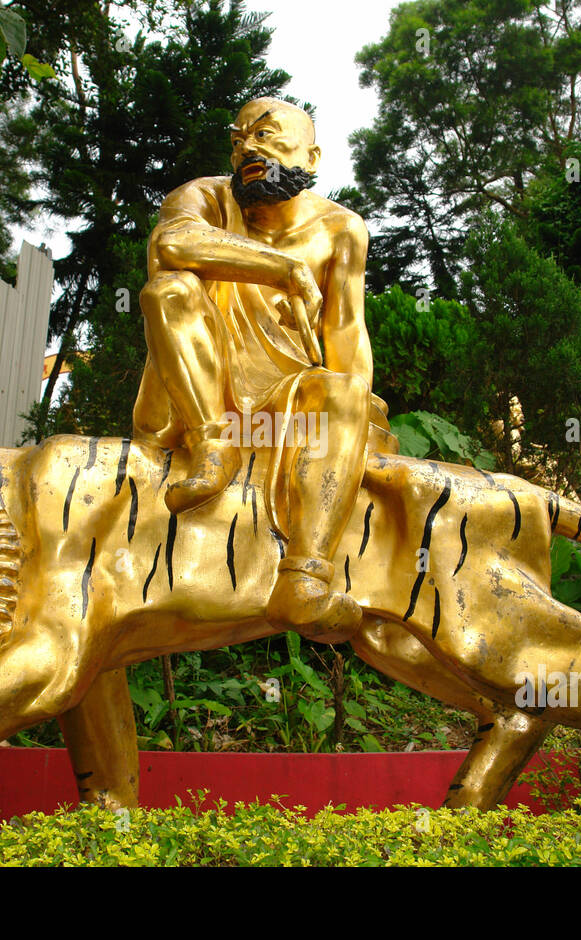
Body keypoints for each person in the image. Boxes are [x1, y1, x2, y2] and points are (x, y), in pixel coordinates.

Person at [131, 97, 373, 640]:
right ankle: (214, 444)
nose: (249, 149)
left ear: (312, 156)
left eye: (265, 135)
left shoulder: (342, 229)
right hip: (192, 402)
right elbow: (172, 242)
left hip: (282, 410)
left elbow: (345, 332)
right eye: (239, 139)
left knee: (343, 392)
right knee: (169, 288)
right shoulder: (205, 197)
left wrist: (361, 419)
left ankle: (305, 579)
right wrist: (283, 270)